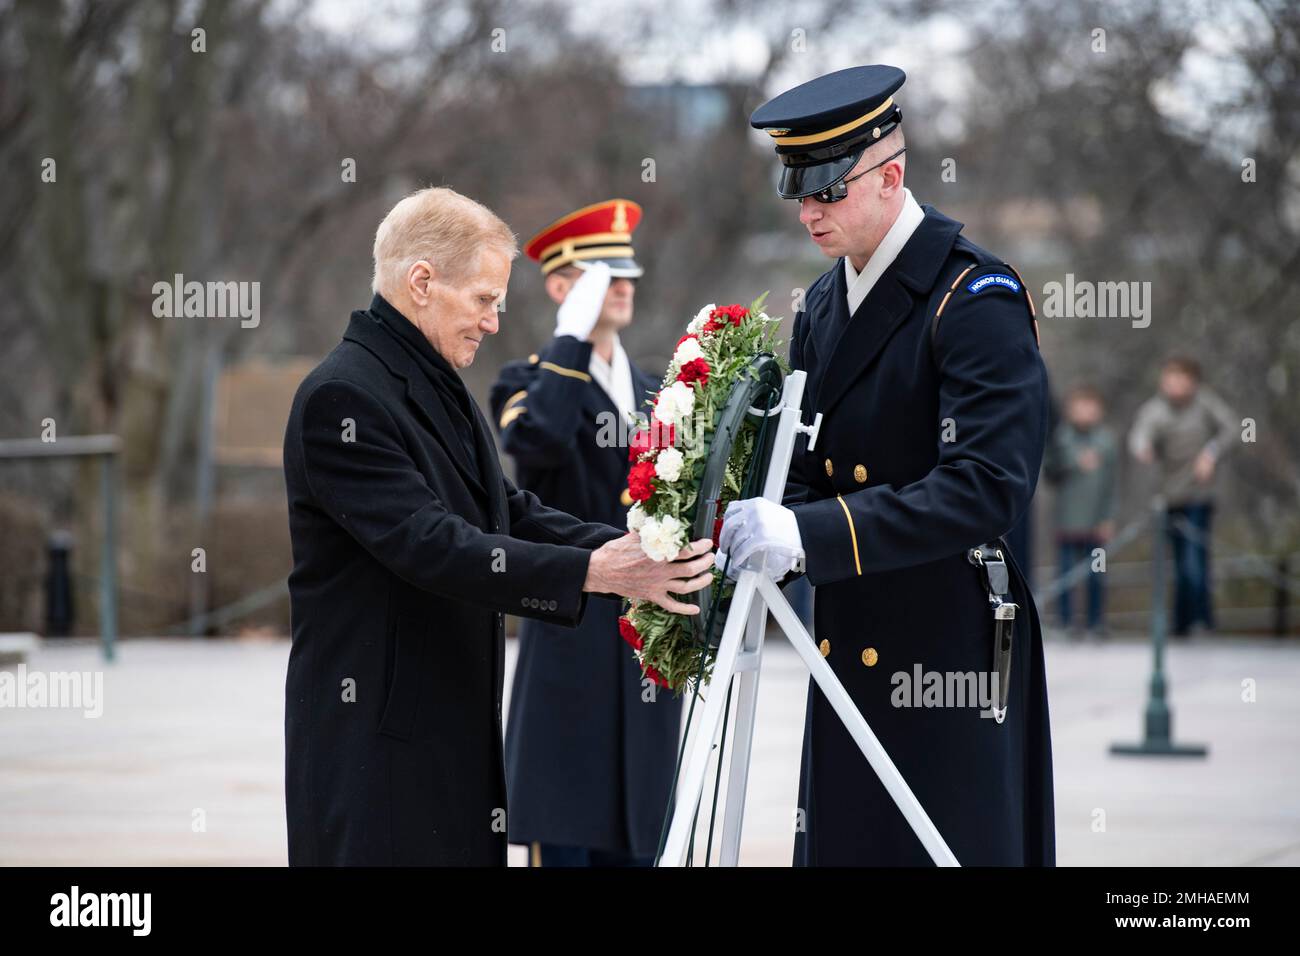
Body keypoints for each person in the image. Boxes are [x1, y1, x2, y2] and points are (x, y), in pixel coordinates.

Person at [281, 187, 714, 866]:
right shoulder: (345, 396)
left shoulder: (428, 380)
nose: (492, 321)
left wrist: (622, 551)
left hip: (443, 742)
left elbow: (506, 510)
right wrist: (596, 573)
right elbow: (431, 545)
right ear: (421, 282)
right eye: (484, 299)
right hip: (379, 757)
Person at [719, 65, 1054, 865]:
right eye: (799, 193)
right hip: (850, 640)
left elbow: (985, 486)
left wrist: (806, 535)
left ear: (890, 175)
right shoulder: (824, 304)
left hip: (947, 652)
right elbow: (806, 469)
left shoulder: (974, 296)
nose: (809, 213)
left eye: (827, 192)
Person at [488, 199, 683, 867]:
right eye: (603, 276)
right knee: (568, 844)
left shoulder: (661, 392)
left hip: (647, 655)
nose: (624, 285)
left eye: (626, 273)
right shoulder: (526, 382)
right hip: (570, 648)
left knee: (646, 839)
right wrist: (569, 340)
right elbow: (536, 442)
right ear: (561, 287)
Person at [1128, 356, 1237, 637]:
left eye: (1180, 378)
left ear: (1192, 381)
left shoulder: (1204, 403)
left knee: (1195, 561)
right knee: (1178, 564)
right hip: (1170, 497)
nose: (1174, 384)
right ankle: (1181, 624)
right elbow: (1139, 435)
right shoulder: (1155, 409)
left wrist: (1210, 454)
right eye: (1169, 378)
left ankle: (1202, 620)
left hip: (1199, 496)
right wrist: (1143, 449)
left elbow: (1232, 428)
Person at [1044, 384, 1118, 639]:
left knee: (1096, 576)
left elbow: (1112, 484)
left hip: (1096, 523)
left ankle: (1096, 622)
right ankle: (1065, 623)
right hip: (1067, 521)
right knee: (1066, 575)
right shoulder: (1060, 437)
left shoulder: (1106, 441)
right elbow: (1049, 472)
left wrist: (1108, 517)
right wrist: (1074, 462)